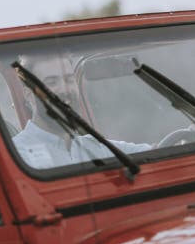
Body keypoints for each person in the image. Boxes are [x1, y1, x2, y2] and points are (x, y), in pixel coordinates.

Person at [12, 53, 152, 169]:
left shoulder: (94, 146)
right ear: (29, 94)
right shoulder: (17, 154)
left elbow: (157, 152)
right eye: (51, 82)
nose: (65, 90)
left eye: (69, 80)